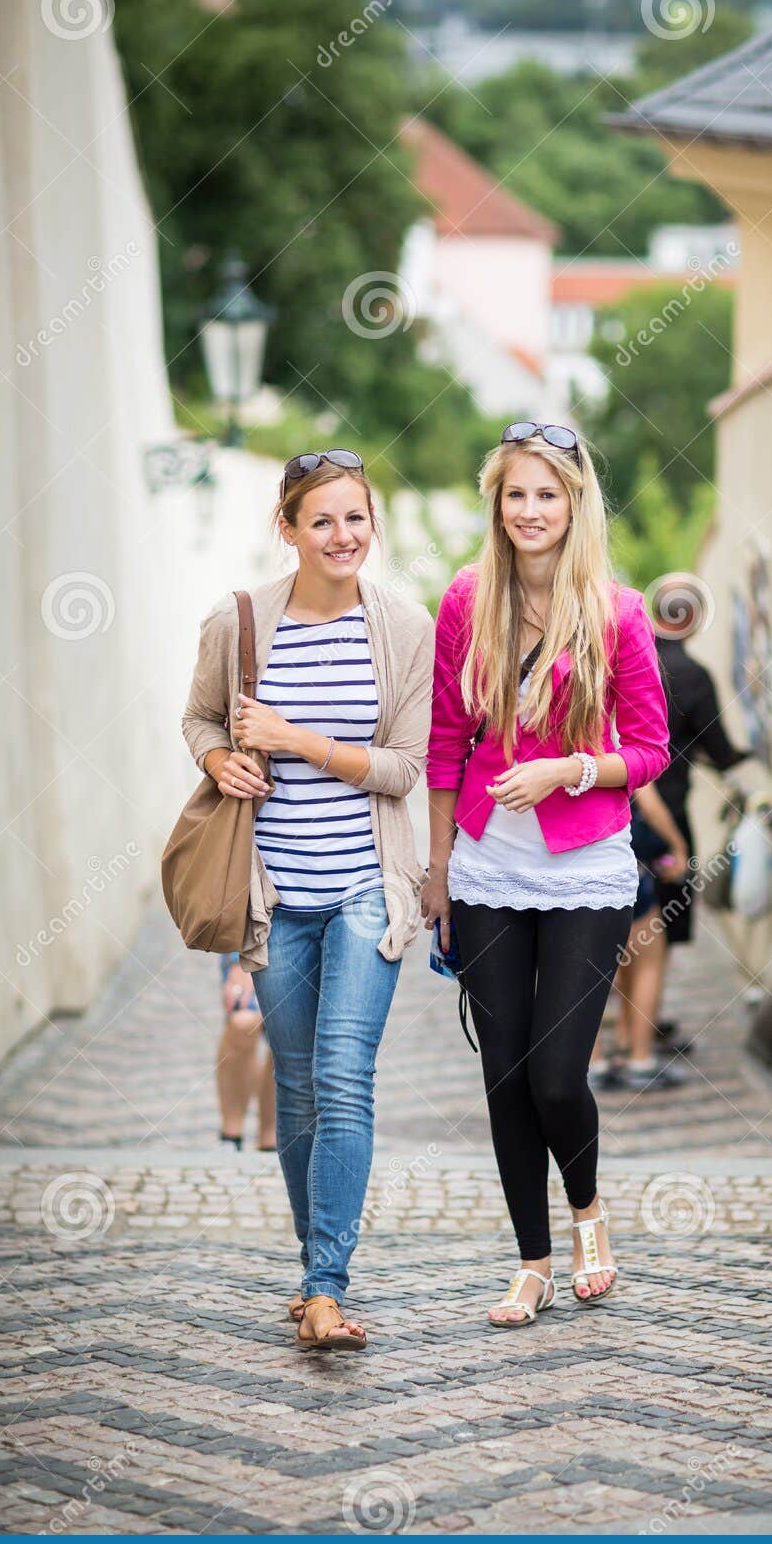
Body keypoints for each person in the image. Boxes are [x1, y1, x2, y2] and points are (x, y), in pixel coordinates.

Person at [181, 449, 433, 1351]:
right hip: (275, 896)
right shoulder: (240, 620)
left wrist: (293, 738)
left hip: (369, 889)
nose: (342, 536)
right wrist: (221, 758)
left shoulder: (404, 626)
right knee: (294, 1090)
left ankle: (326, 1286)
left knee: (340, 1078)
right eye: (321, 520)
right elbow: (201, 717)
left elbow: (407, 765)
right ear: (286, 529)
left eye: (356, 518)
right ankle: (311, 1270)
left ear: (373, 524)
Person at [421, 422, 670, 1329]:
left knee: (556, 1077)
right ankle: (530, 1262)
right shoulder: (463, 601)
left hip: (586, 867)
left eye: (547, 495)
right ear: (497, 503)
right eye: (515, 494)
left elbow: (649, 752)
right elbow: (447, 743)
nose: (530, 512)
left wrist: (565, 769)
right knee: (503, 1077)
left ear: (575, 505)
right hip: (485, 866)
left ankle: (589, 1216)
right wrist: (438, 867)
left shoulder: (617, 611)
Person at [650, 600, 748, 1069]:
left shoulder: (628, 659)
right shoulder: (692, 674)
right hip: (663, 813)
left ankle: (613, 1022)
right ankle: (640, 1028)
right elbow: (721, 749)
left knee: (617, 920)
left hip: (607, 809)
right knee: (655, 925)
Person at [596, 784, 689, 1092]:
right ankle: (640, 1058)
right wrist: (678, 848)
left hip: (565, 868)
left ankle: (590, 1062)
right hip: (619, 868)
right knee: (649, 960)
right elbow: (649, 803)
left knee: (583, 969)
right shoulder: (607, 736)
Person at [216, 952, 275, 1151]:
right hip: (251, 933)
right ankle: (230, 1138)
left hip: (313, 934)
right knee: (243, 1022)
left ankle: (271, 1142)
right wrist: (239, 958)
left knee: (289, 1033)